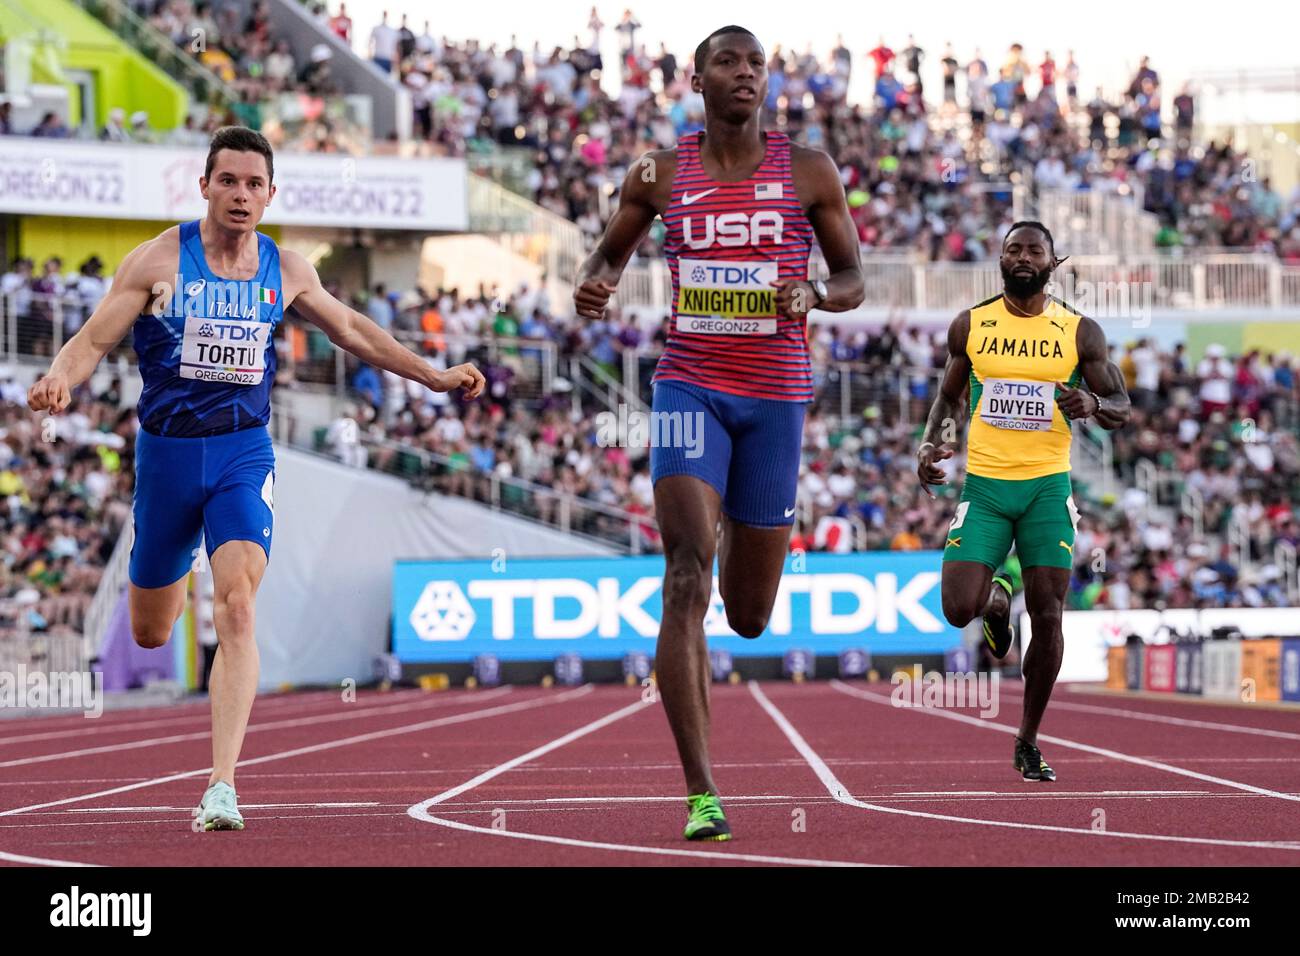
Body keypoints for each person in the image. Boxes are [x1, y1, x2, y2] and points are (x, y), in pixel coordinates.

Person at [27, 126, 485, 830]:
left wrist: (432, 375)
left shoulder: (287, 268)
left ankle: (221, 786)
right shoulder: (159, 261)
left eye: (253, 184)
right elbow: (93, 339)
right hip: (167, 458)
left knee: (237, 606)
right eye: (228, 181)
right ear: (205, 186)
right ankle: (170, 555)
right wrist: (59, 375)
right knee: (153, 631)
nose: (240, 194)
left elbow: (354, 329)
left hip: (243, 453)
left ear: (271, 195)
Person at [573, 25, 863, 841]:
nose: (745, 74)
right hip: (688, 385)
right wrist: (594, 287)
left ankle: (752, 518)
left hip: (774, 397)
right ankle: (702, 791)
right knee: (684, 576)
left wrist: (817, 297)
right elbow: (604, 261)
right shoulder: (658, 172)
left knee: (748, 615)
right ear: (696, 79)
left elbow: (853, 278)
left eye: (756, 64)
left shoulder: (807, 169)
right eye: (728, 63)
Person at [916, 221, 1130, 782]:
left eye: (1034, 249)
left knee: (1050, 615)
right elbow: (948, 396)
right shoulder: (972, 325)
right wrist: (932, 445)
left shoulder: (1080, 332)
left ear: (1053, 263)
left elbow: (1122, 405)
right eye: (1013, 248)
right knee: (957, 606)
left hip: (1046, 489)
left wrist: (1092, 401)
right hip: (985, 488)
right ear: (1001, 260)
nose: (1023, 256)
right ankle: (993, 602)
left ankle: (1028, 739)